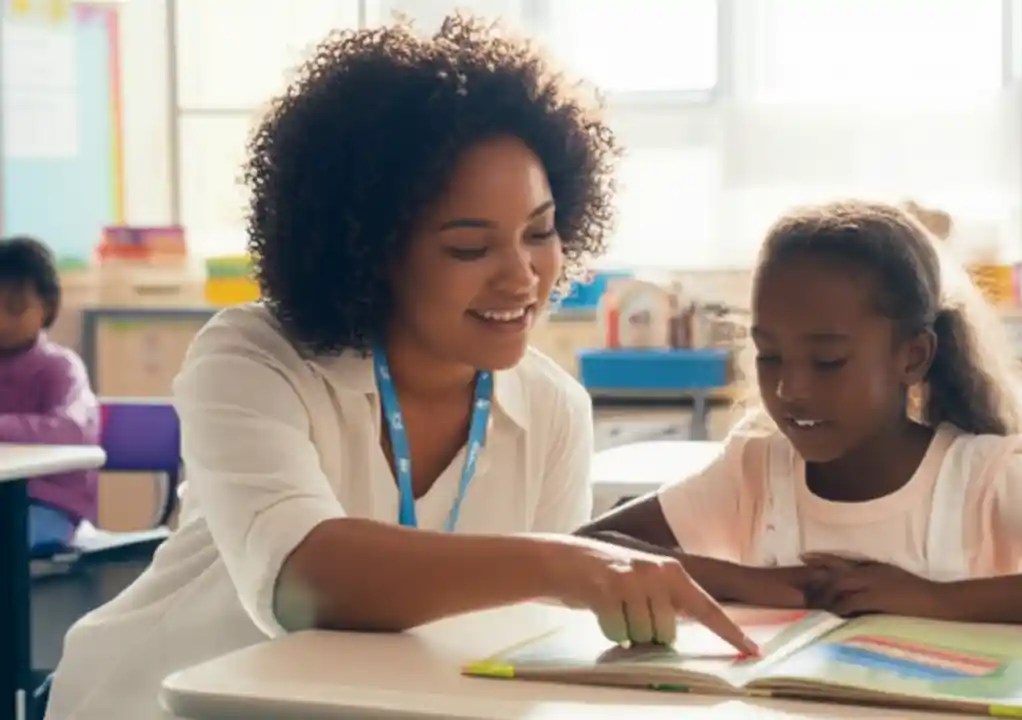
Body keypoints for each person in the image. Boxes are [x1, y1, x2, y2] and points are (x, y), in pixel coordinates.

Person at [49, 17, 752, 720]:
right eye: (469, 248)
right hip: (159, 703)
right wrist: (565, 562)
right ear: (372, 251)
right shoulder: (251, 359)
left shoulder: (554, 408)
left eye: (540, 233)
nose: (522, 277)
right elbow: (305, 582)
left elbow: (515, 644)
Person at [580, 200, 1022, 628]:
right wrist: (759, 584)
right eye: (769, 357)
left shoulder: (977, 478)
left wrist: (936, 600)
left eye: (828, 362)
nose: (790, 389)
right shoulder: (758, 470)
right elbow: (585, 549)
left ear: (913, 357)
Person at [0, 236, 99, 551]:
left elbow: (73, 429)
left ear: (48, 307)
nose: (2, 320)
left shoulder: (59, 367)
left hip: (49, 506)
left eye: (15, 307)